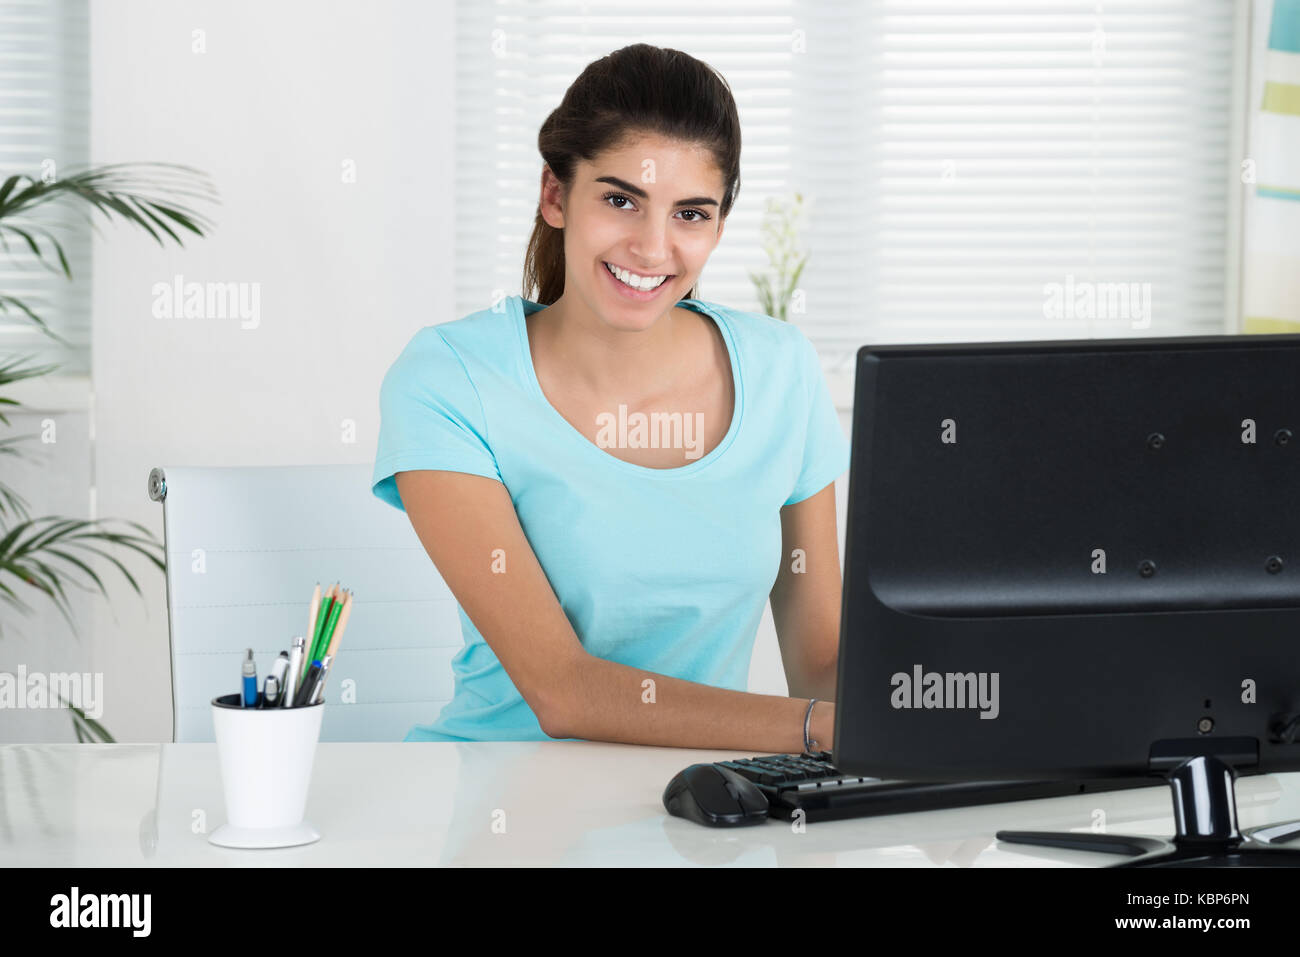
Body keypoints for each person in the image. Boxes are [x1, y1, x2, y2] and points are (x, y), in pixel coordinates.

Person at [371, 43, 849, 752]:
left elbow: (823, 663)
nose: (653, 248)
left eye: (691, 214)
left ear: (719, 226)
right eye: (621, 199)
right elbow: (564, 690)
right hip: (497, 811)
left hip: (709, 814)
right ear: (556, 195)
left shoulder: (782, 372)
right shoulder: (451, 379)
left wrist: (951, 715)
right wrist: (821, 730)